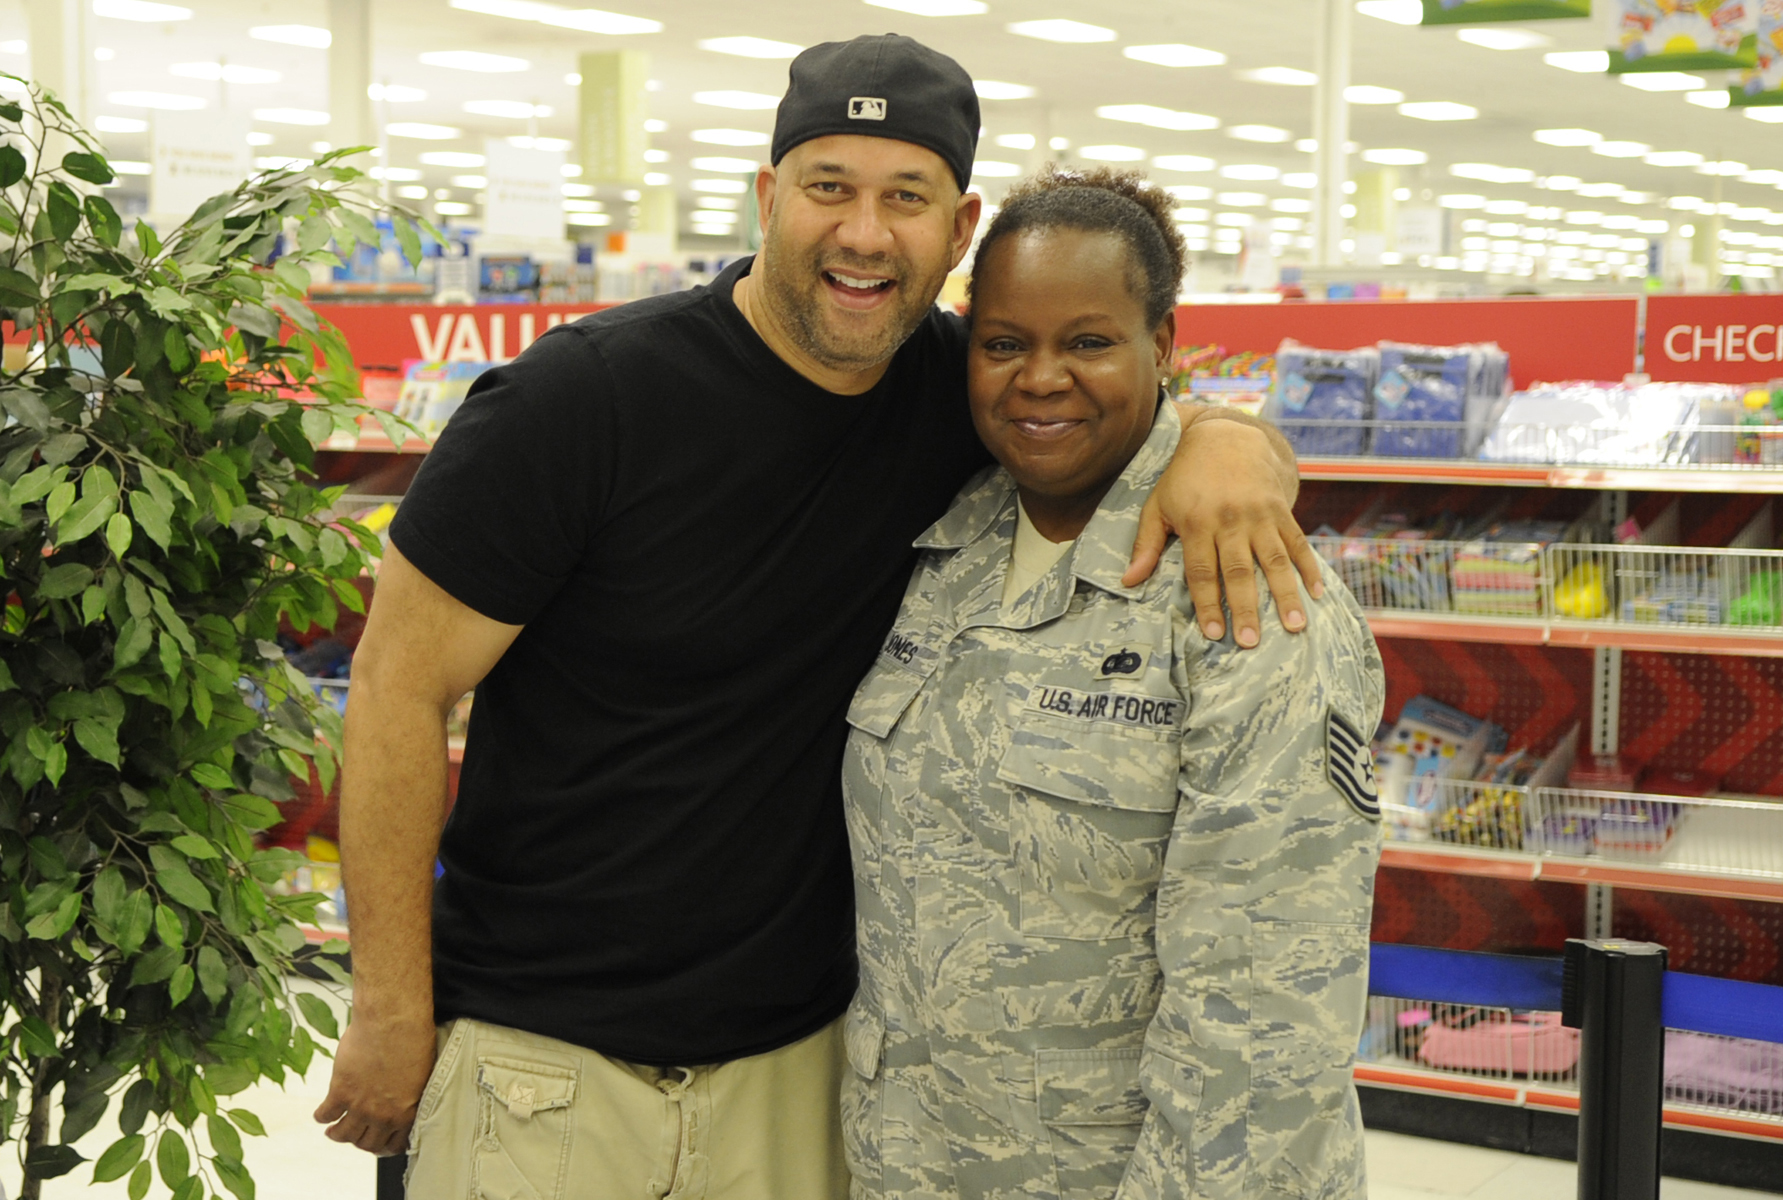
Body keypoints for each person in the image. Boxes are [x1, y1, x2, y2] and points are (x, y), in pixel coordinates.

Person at [313, 34, 1324, 1200]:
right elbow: (397, 687)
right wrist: (389, 1004)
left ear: (960, 228)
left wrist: (1233, 442)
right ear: (768, 197)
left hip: (801, 1073)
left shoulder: (967, 397)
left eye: (908, 197)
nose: (864, 232)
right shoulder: (578, 403)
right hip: (544, 1062)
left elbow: (1125, 401)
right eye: (829, 187)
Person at [839, 166, 1385, 1200]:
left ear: (1163, 345)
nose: (1041, 378)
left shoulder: (1239, 595)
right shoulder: (943, 549)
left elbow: (1263, 1026)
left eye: (1089, 342)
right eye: (1005, 344)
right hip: (907, 1163)